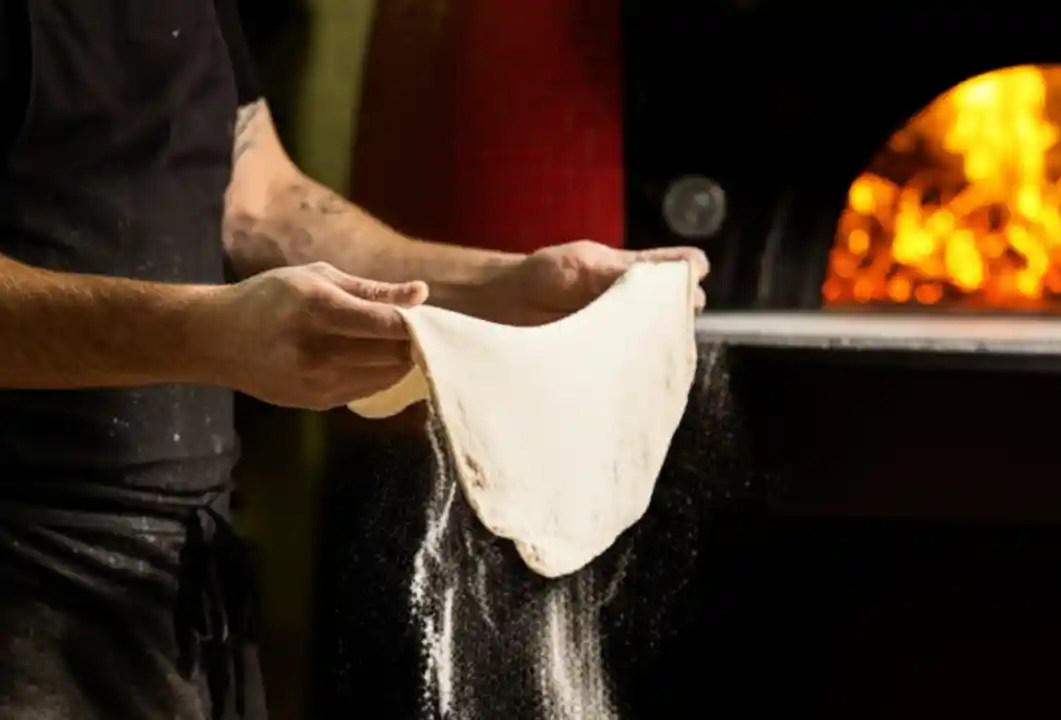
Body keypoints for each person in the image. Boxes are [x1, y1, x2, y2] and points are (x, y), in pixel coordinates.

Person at [0, 2, 709, 718]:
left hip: (180, 581)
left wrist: (502, 286)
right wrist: (210, 334)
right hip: (25, 568)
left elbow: (260, 202)